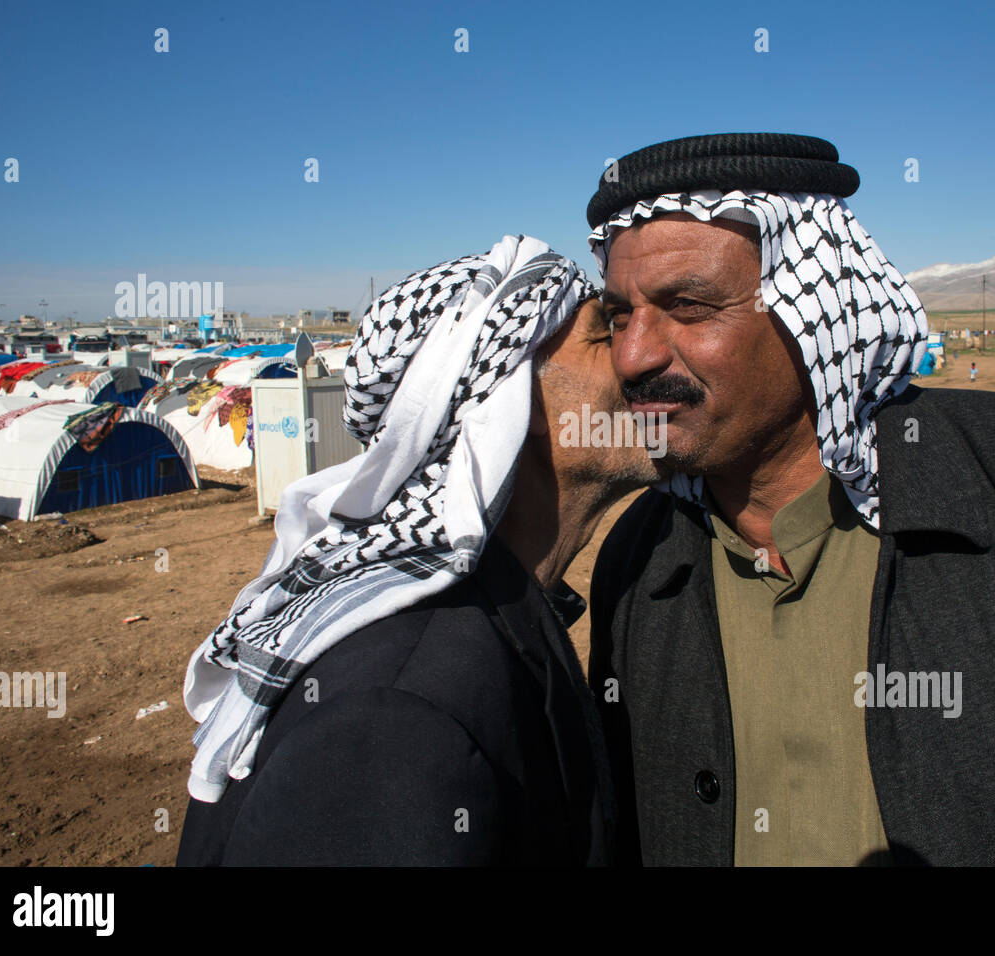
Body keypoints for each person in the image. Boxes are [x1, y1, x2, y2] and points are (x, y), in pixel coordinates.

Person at [583, 132, 995, 866]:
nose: (634, 355)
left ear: (822, 311)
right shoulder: (638, 555)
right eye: (620, 315)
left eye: (687, 306)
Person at [176, 236, 659, 865]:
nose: (639, 357)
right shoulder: (394, 716)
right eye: (606, 332)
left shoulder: (495, 622)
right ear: (517, 401)